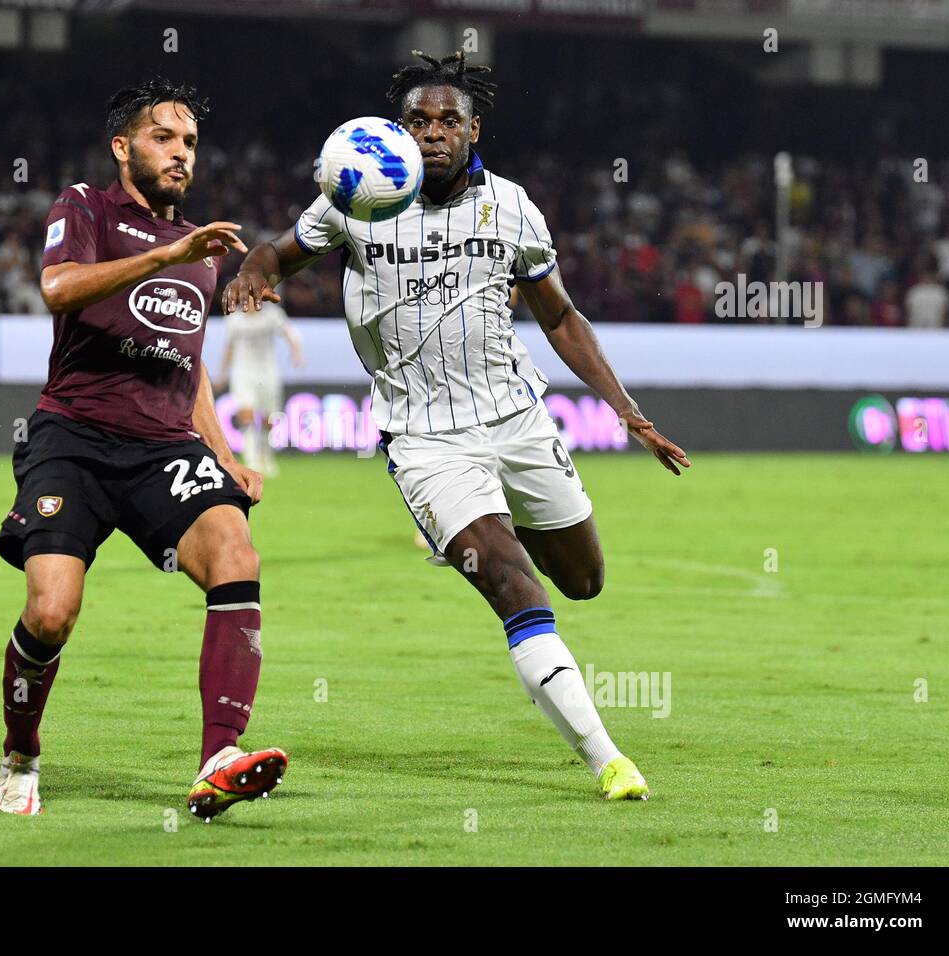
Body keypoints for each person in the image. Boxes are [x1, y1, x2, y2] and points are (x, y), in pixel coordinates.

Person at [224, 51, 690, 801]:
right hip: (425, 438)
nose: (433, 132)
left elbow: (561, 316)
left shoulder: (511, 206)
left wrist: (626, 410)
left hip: (517, 418)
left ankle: (478, 528)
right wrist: (254, 271)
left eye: (449, 120)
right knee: (515, 581)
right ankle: (609, 759)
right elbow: (279, 251)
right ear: (397, 131)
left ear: (475, 131)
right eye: (418, 120)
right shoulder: (357, 196)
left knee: (584, 580)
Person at [0, 79, 286, 819]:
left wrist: (219, 450)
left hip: (163, 449)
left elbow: (189, 363)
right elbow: (58, 288)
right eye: (164, 137)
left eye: (189, 142)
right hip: (74, 440)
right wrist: (165, 255)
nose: (181, 153)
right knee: (52, 611)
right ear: (123, 147)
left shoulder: (203, 249)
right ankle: (21, 751)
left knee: (236, 553)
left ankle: (219, 755)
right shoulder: (85, 207)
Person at [216, 297, 304, 476]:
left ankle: (266, 455)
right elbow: (229, 347)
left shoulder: (272, 315)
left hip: (267, 371)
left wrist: (296, 352)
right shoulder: (234, 319)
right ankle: (251, 459)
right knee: (246, 415)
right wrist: (222, 374)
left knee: (268, 419)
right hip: (242, 372)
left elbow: (289, 333)